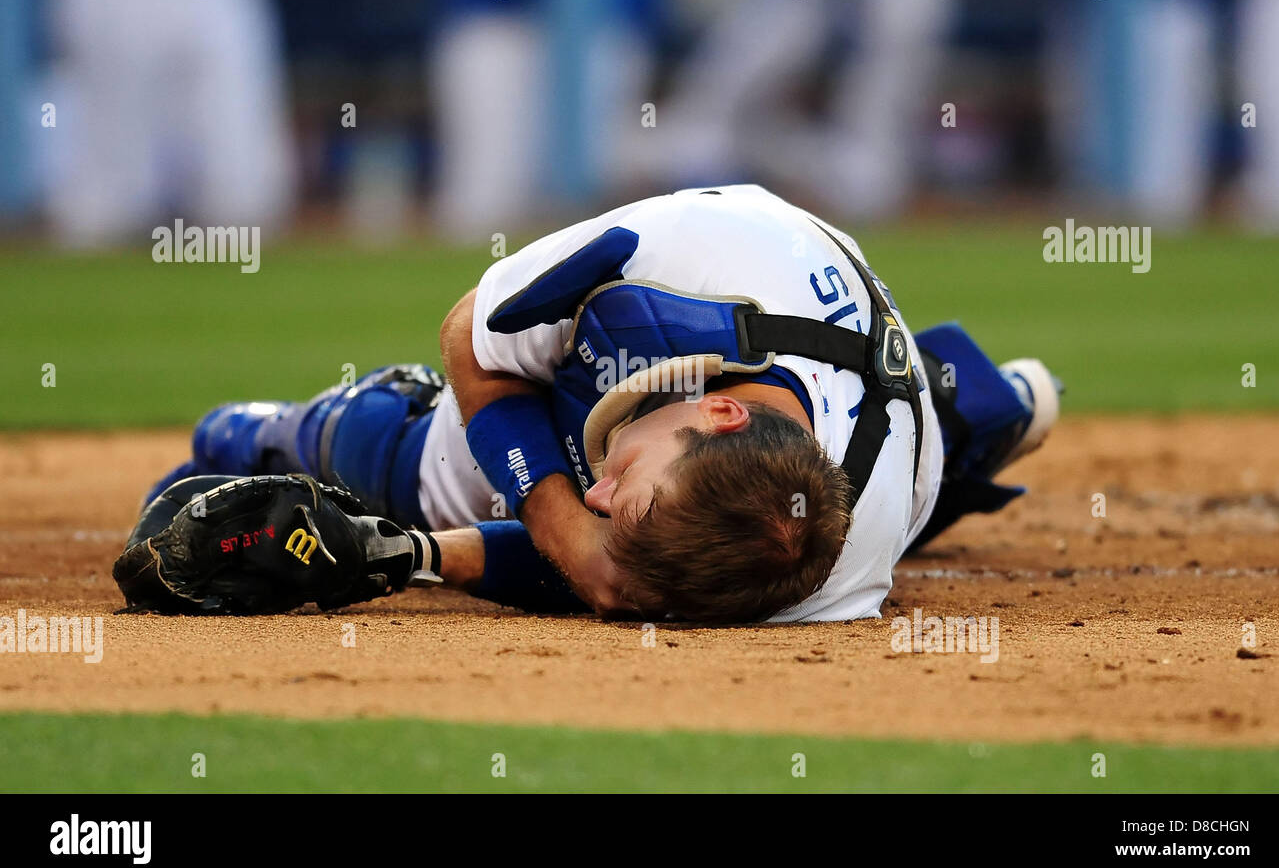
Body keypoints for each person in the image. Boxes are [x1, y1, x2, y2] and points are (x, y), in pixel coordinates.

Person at [117, 186, 1059, 624]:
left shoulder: (832, 565)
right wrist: (571, 535)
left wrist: (412, 555)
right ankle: (256, 431)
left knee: (432, 501)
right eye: (633, 489)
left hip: (900, 455)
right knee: (396, 450)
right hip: (676, 351)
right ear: (722, 415)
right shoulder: (691, 248)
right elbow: (469, 336)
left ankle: (975, 402)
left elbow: (641, 572)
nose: (603, 498)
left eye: (613, 507)